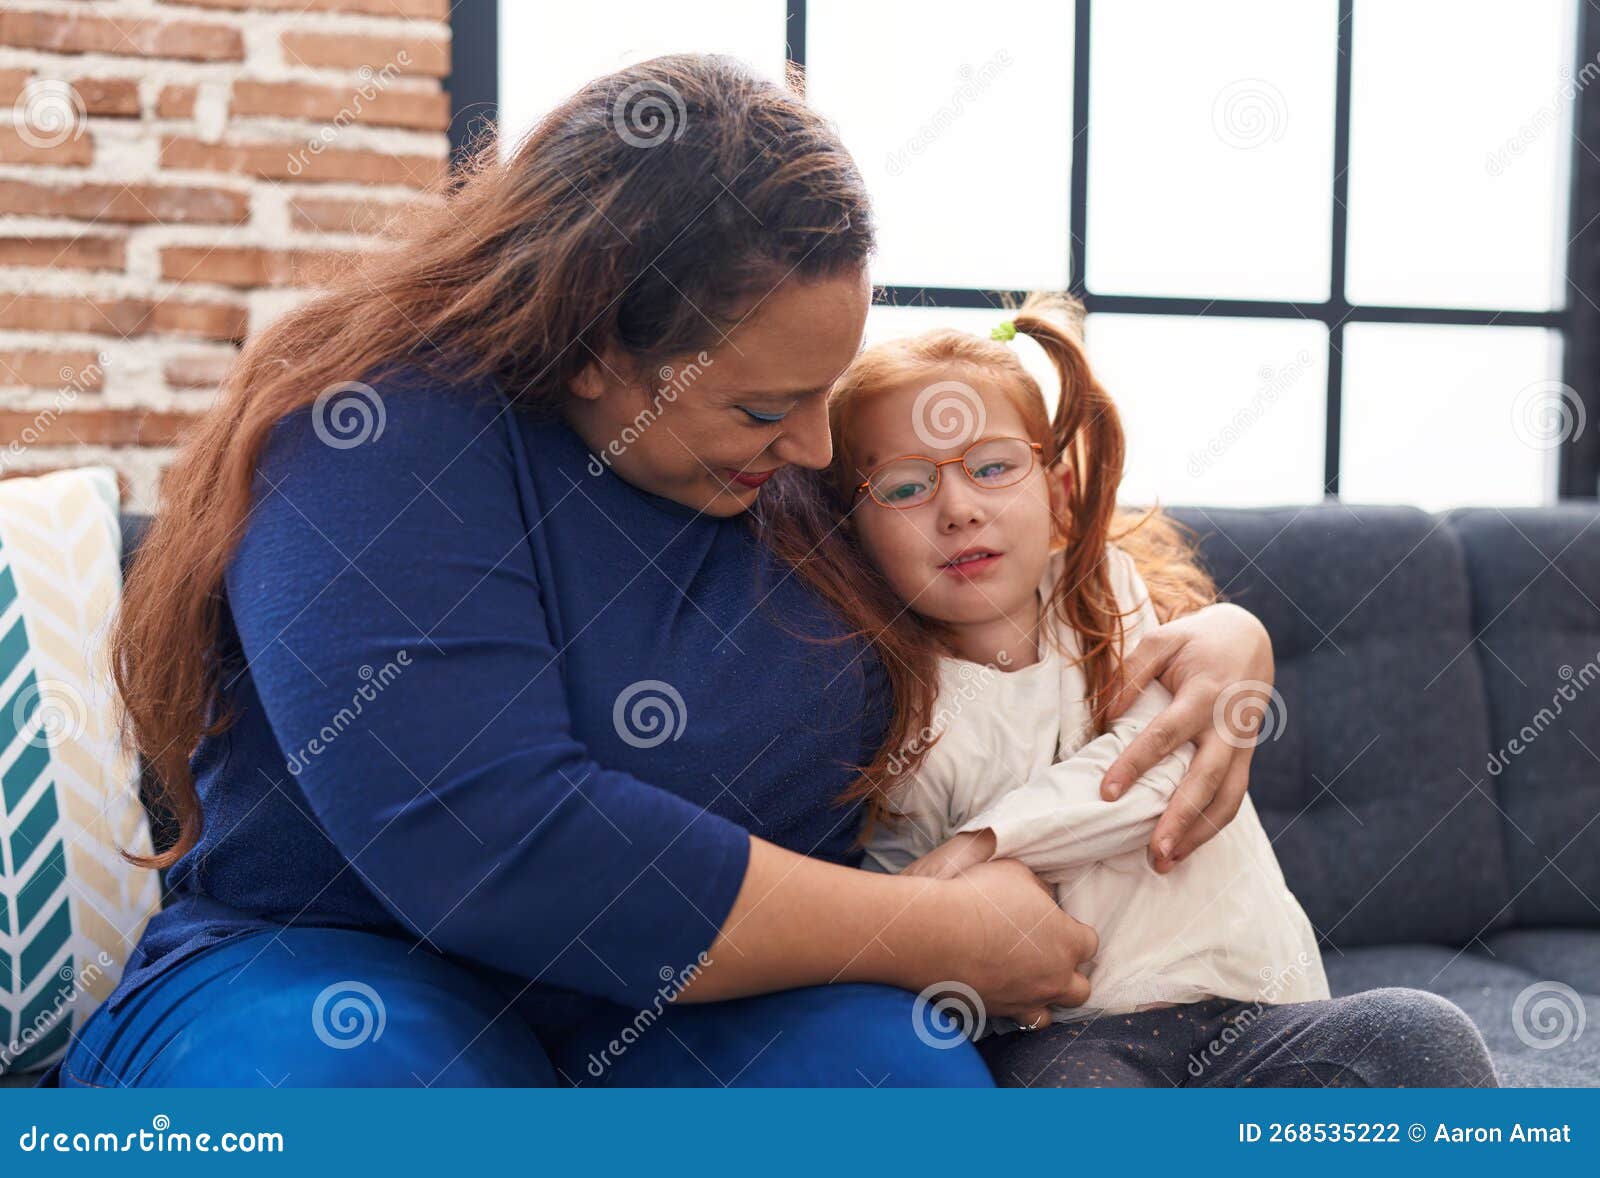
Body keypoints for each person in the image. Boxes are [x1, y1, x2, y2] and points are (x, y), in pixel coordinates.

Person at [47, 56, 1277, 1089]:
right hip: (327, 967)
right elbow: (493, 837)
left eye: (818, 397)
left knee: (893, 1086)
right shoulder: (372, 437)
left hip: (702, 1010)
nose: (809, 448)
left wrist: (1218, 628)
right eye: (762, 407)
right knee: (366, 1088)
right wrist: (924, 928)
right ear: (592, 341)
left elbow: (998, 549)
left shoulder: (768, 460)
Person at [758, 293, 1498, 1088]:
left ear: (1059, 493)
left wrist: (978, 847)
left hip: (1257, 1011)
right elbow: (911, 913)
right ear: (854, 537)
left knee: (1422, 1034)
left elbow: (1157, 770)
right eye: (904, 488)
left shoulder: (1113, 607)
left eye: (994, 467)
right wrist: (933, 909)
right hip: (1075, 1038)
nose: (959, 509)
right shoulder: (896, 707)